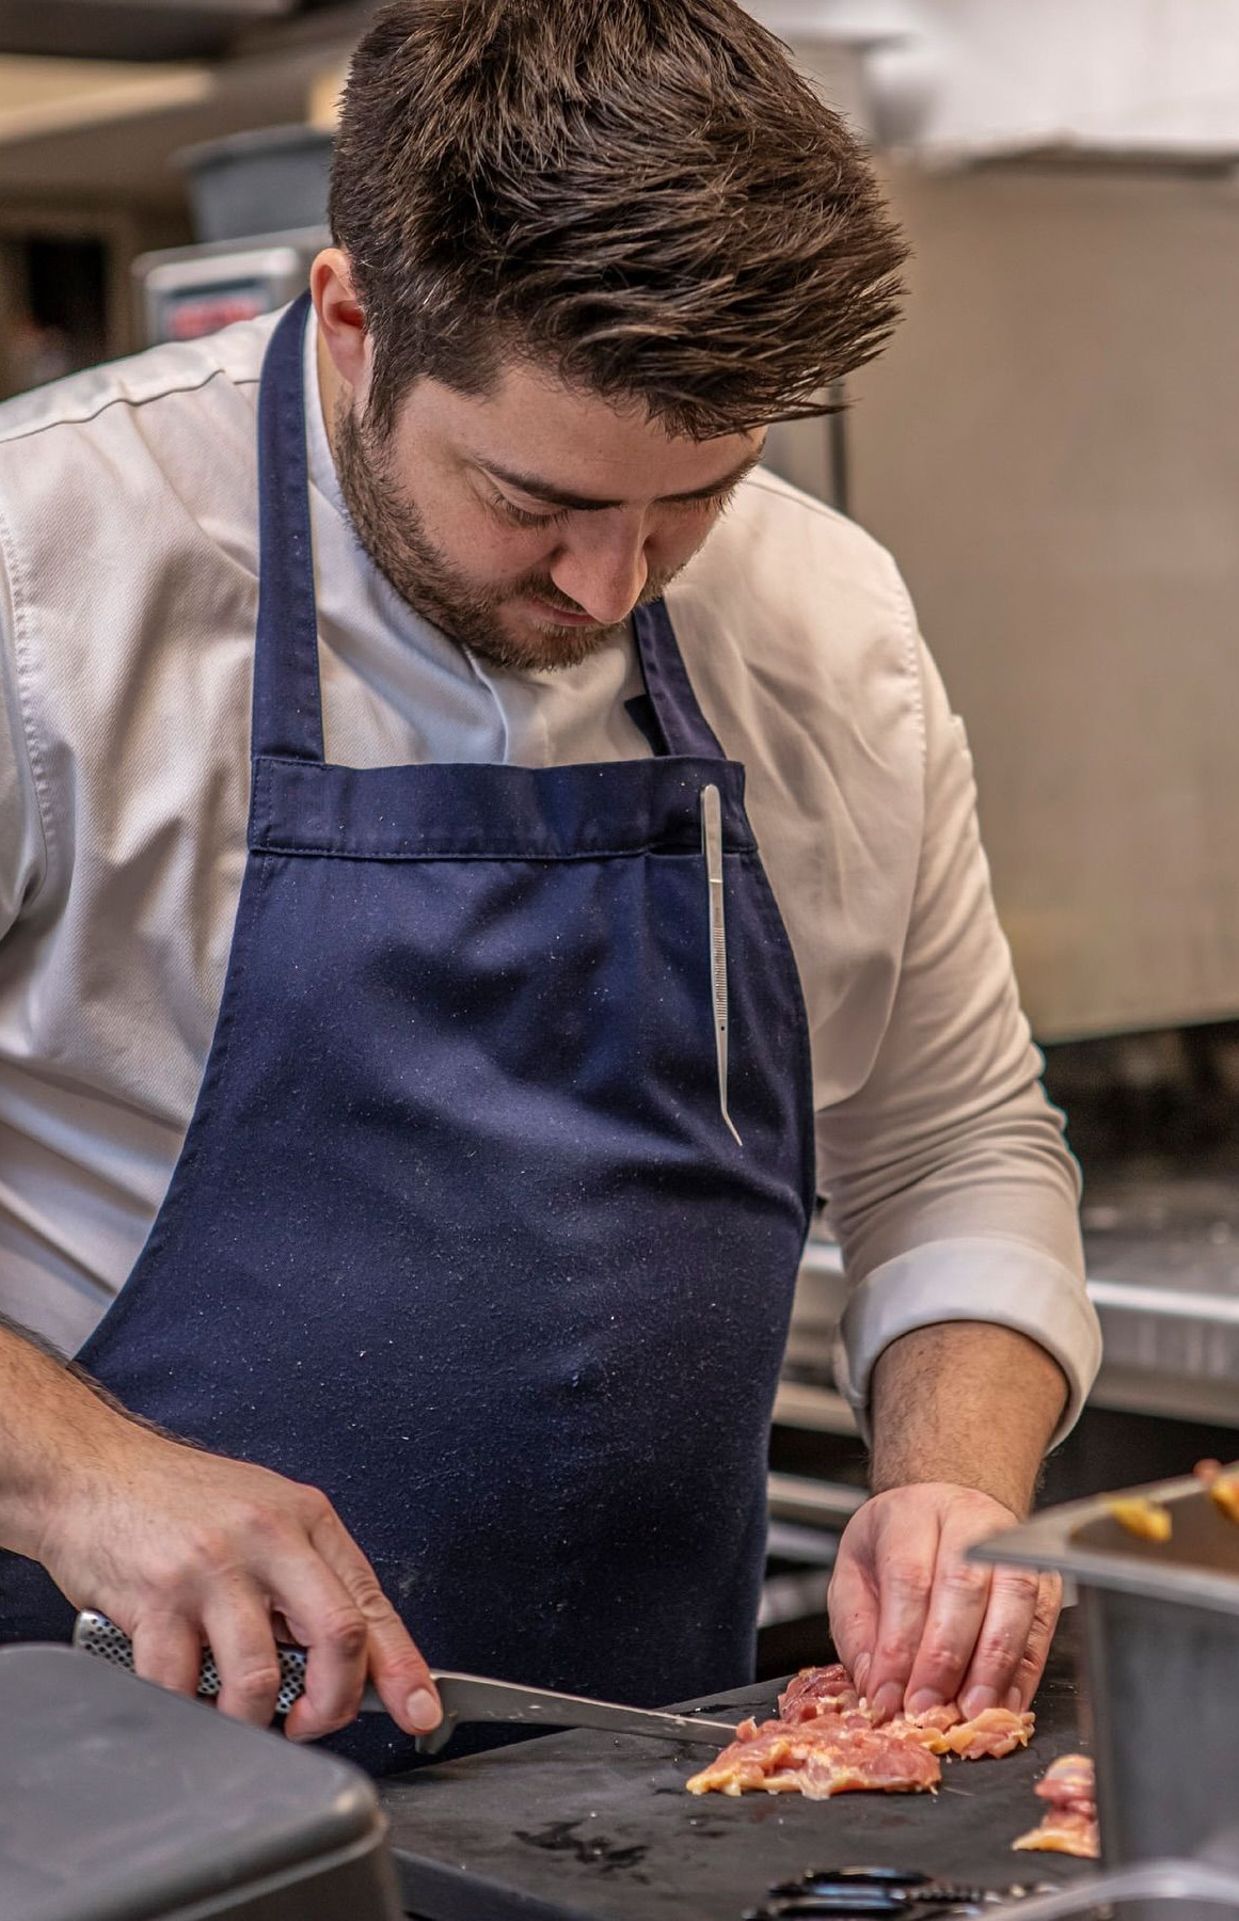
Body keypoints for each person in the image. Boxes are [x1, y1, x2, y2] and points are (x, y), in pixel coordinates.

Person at [0, 0, 1100, 1774]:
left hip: (646, 1774)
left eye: (696, 502)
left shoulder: (829, 624)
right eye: (536, 502)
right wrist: (89, 1473)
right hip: (97, 1792)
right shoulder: (42, 582)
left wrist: (955, 1485)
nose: (610, 586)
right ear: (352, 322)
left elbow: (954, 1138)